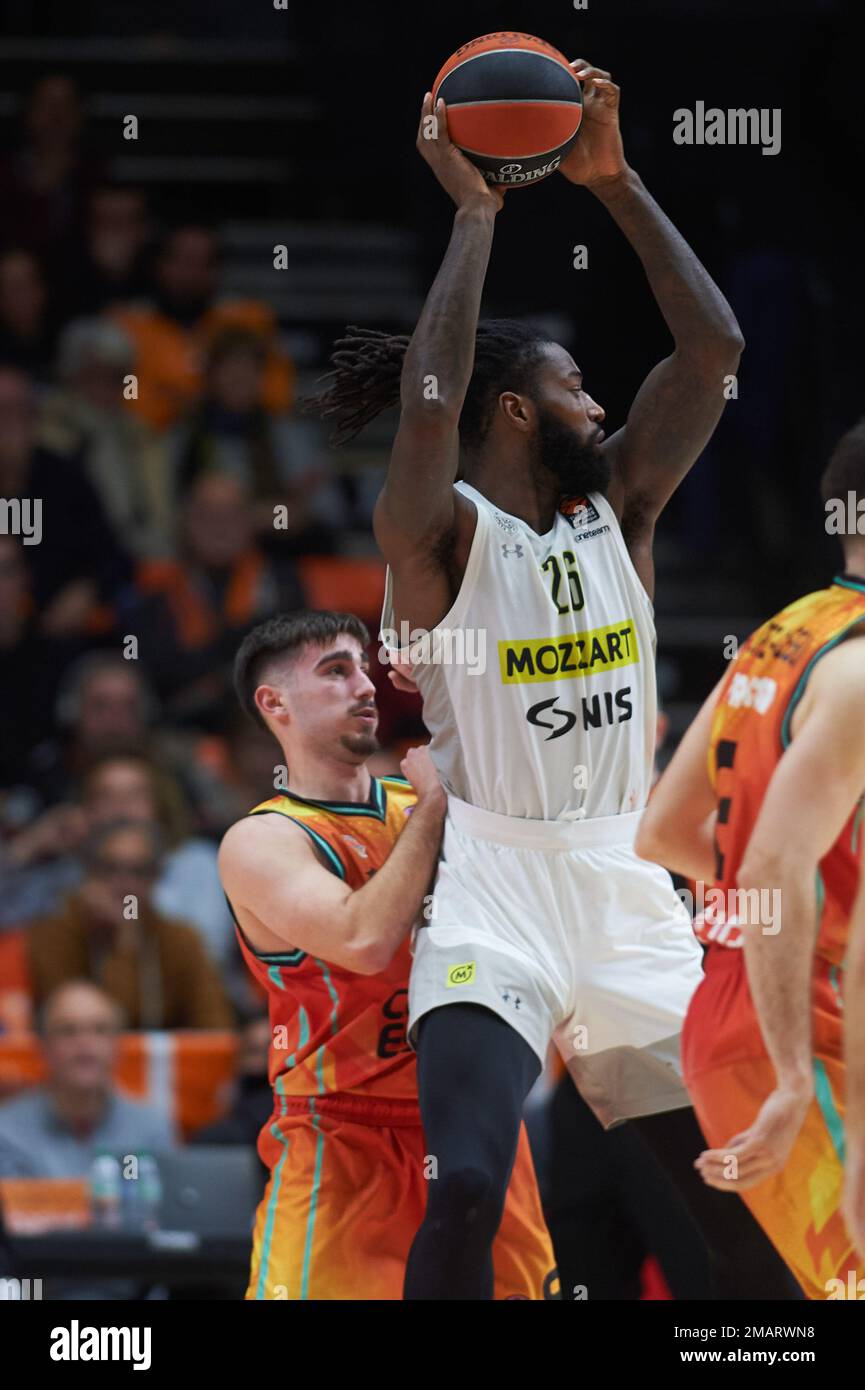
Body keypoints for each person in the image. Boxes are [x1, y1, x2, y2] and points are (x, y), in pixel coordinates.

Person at [309, 60, 800, 1300]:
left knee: (736, 1212)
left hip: (624, 885)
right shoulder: (442, 540)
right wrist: (474, 214)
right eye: (574, 384)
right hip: (495, 887)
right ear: (515, 414)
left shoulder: (620, 508)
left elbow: (714, 345)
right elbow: (426, 409)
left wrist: (616, 180)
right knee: (467, 1180)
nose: (596, 398)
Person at [218, 610, 558, 1300]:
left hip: (471, 1118)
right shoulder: (264, 840)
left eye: (364, 667)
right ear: (273, 703)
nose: (364, 685)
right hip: (345, 1137)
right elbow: (362, 941)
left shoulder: (426, 799)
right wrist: (437, 805)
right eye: (335, 672)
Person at [635, 418, 865, 1299]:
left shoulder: (786, 632)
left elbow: (664, 831)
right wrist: (793, 1067)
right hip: (796, 1026)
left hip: (757, 1002)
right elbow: (770, 869)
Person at [23, 819, 234, 1030]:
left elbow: (214, 1026)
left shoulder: (180, 939)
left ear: (155, 878)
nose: (125, 885)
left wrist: (128, 928)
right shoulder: (58, 929)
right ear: (89, 874)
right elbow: (74, 1020)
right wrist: (120, 938)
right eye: (111, 869)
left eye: (138, 872)